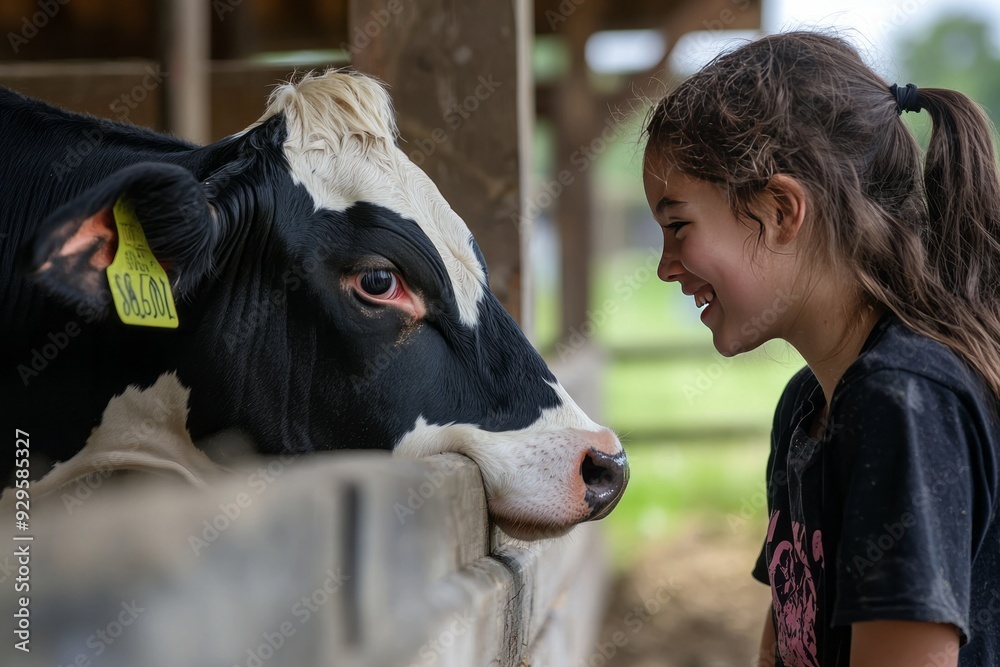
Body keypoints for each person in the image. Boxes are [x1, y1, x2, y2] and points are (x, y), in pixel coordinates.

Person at [640, 31, 1000, 667]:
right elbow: (786, 634)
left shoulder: (904, 402)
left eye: (678, 225)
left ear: (782, 209)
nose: (666, 266)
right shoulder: (806, 405)